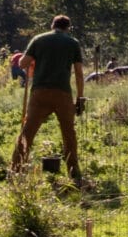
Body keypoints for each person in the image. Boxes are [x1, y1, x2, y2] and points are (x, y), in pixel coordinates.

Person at [10, 15, 85, 183]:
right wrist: (80, 98)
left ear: (52, 25)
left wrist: (31, 58)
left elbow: (22, 64)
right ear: (68, 28)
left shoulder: (39, 39)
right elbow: (79, 74)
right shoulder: (73, 43)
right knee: (68, 133)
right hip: (63, 93)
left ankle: (16, 169)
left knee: (28, 131)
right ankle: (73, 172)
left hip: (40, 92)